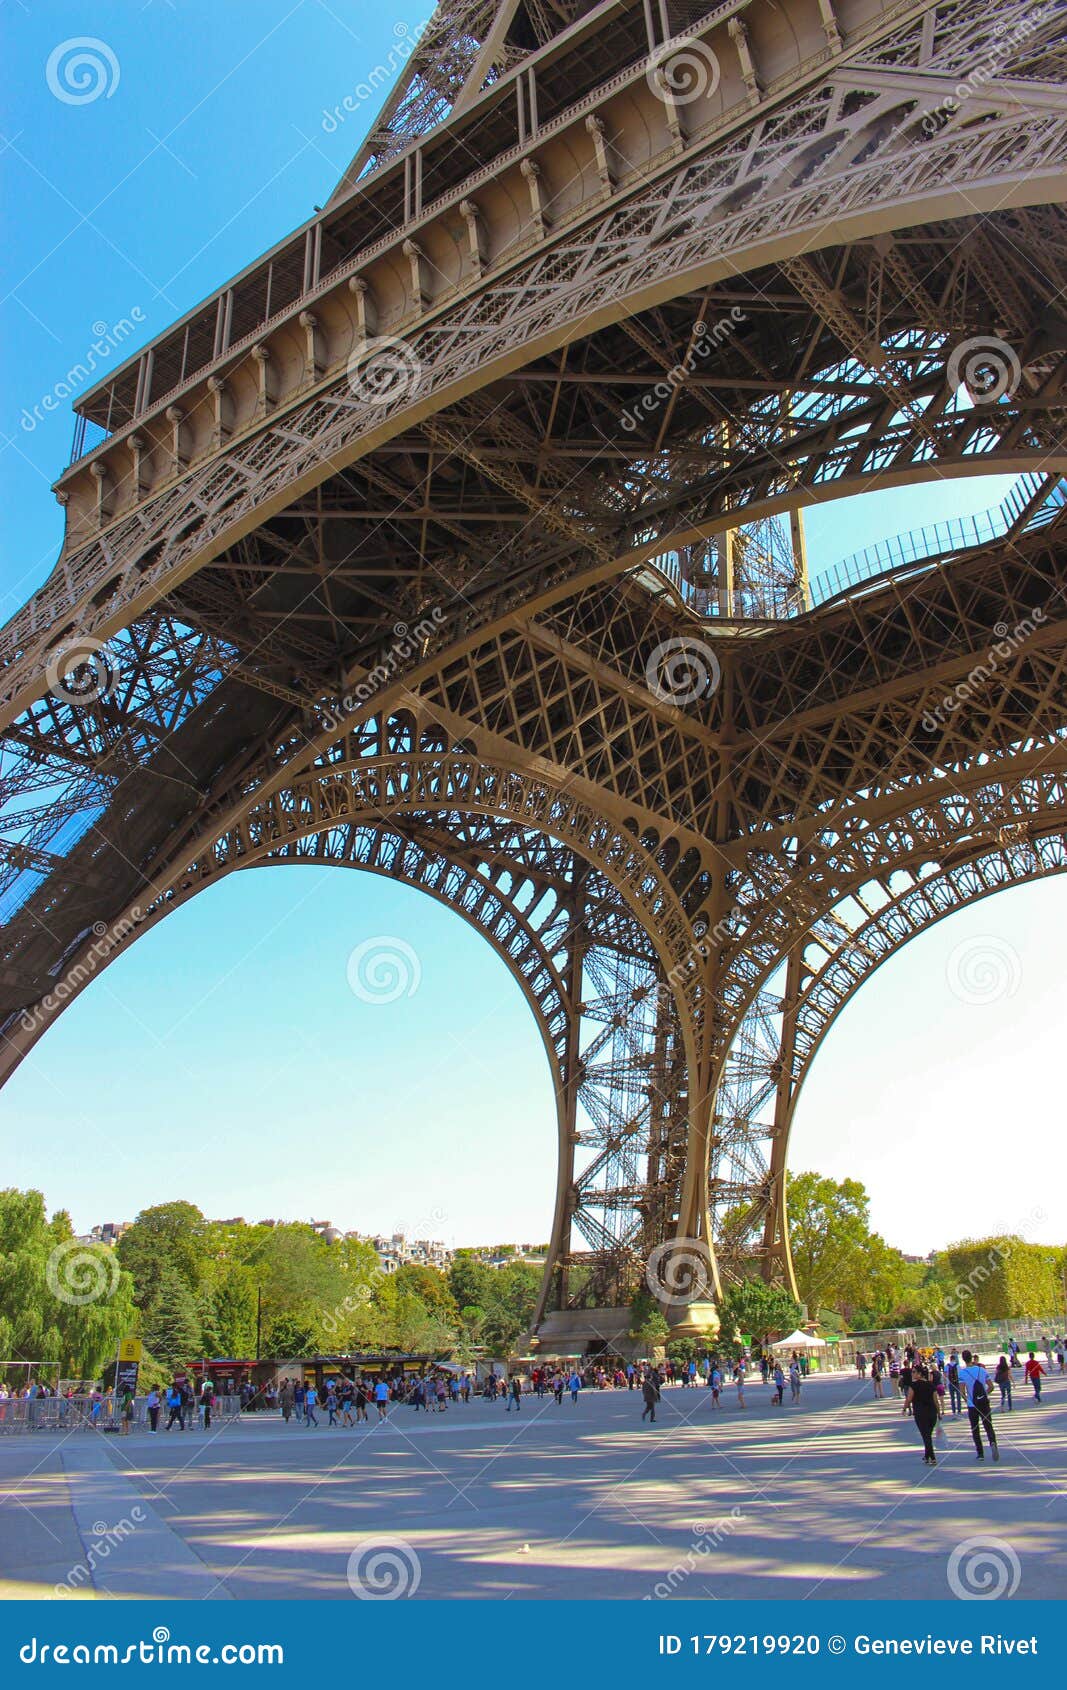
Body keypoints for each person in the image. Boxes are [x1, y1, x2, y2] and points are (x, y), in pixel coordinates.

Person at [958, 1350, 998, 1461]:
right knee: (988, 1425)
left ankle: (980, 1453)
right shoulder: (982, 1370)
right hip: (984, 1403)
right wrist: (984, 1394)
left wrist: (968, 1401)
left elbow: (962, 1392)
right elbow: (991, 1387)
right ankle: (992, 1442)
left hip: (972, 1405)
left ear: (963, 1359)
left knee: (975, 1428)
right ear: (972, 1358)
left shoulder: (962, 1373)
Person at [904, 1362, 939, 1465]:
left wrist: (904, 1408)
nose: (912, 1374)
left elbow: (909, 1399)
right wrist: (939, 1412)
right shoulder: (931, 1385)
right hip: (932, 1413)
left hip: (920, 1413)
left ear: (919, 1374)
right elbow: (935, 1400)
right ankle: (927, 1455)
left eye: (914, 1372)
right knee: (927, 1434)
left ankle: (932, 1457)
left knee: (926, 1435)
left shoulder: (913, 1385)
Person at [946, 1352, 962, 1416]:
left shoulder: (947, 1366)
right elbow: (960, 1375)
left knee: (952, 1398)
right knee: (958, 1397)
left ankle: (953, 1410)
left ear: (950, 1359)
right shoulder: (958, 1366)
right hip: (957, 1383)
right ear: (954, 1359)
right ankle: (959, 1409)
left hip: (950, 1383)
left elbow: (945, 1375)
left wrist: (945, 1383)